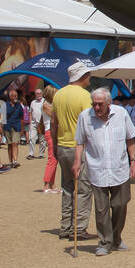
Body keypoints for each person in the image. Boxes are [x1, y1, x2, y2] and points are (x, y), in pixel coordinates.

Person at [74, 87, 135, 256]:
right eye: (94, 104)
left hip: (119, 168)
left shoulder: (121, 114)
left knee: (120, 205)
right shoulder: (84, 117)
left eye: (100, 104)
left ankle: (116, 238)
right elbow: (80, 142)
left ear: (108, 103)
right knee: (101, 209)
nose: (96, 108)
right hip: (97, 169)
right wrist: (76, 162)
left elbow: (130, 138)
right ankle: (105, 241)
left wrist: (133, 161)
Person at [52, 62, 95, 239]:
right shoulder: (85, 96)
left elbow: (53, 123)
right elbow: (89, 124)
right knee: (84, 189)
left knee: (67, 187)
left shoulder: (58, 94)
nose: (89, 78)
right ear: (82, 77)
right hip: (80, 147)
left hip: (62, 145)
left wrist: (54, 144)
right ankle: (79, 228)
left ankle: (65, 226)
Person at [39, 84, 58, 192]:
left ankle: (52, 184)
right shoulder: (45, 104)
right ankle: (46, 184)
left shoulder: (50, 104)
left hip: (53, 131)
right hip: (49, 131)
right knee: (52, 158)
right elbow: (54, 115)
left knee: (55, 159)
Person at [3, 85, 24, 170]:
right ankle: (11, 161)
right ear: (9, 96)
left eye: (16, 96)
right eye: (13, 96)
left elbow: (22, 117)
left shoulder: (19, 105)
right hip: (7, 126)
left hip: (16, 126)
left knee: (15, 143)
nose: (15, 97)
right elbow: (3, 116)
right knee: (10, 144)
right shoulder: (5, 105)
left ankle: (15, 160)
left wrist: (22, 129)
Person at [27, 90, 45, 159]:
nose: (39, 94)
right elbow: (30, 113)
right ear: (35, 94)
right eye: (37, 93)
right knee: (32, 138)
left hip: (42, 123)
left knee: (42, 139)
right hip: (33, 123)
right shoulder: (33, 102)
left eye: (40, 93)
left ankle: (41, 154)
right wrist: (30, 122)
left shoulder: (44, 101)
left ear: (42, 93)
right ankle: (31, 153)